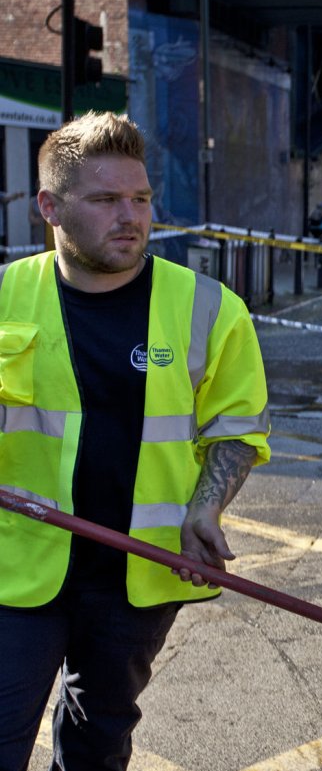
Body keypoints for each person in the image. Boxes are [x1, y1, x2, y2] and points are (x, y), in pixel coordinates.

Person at [0, 112, 271, 770]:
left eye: (141, 198)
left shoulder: (210, 308)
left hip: (136, 575)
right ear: (50, 207)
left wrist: (206, 507)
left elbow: (237, 430)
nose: (130, 217)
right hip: (17, 568)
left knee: (96, 746)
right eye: (105, 200)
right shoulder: (6, 296)